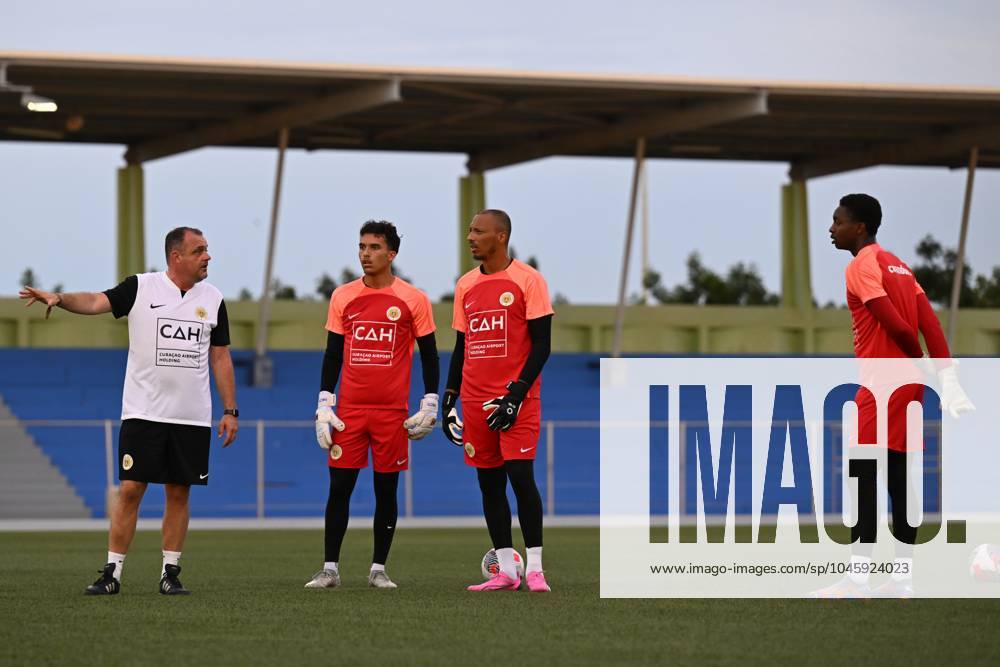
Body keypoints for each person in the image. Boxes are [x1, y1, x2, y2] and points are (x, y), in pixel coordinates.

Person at [20, 227, 238, 596]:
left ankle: (170, 572)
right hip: (143, 412)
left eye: (207, 250)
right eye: (199, 250)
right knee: (131, 489)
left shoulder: (213, 299)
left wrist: (230, 409)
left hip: (190, 416)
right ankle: (112, 573)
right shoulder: (141, 287)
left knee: (179, 492)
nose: (207, 257)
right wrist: (59, 297)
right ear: (176, 257)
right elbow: (95, 301)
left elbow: (220, 356)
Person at [812, 193, 974, 599]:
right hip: (909, 388)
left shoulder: (861, 266)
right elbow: (930, 323)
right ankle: (902, 580)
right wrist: (945, 374)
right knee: (900, 480)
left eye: (838, 221)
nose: (831, 229)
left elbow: (898, 325)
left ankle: (857, 580)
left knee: (862, 478)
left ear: (860, 227)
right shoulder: (899, 265)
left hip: (882, 385)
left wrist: (918, 360)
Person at [307, 220, 439, 590]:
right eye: (362, 246)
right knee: (340, 489)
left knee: (386, 490)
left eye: (374, 247)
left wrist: (430, 401)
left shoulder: (414, 299)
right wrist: (324, 402)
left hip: (391, 414)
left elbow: (429, 355)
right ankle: (329, 569)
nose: (366, 253)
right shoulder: (342, 296)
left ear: (391, 254)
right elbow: (333, 354)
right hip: (348, 412)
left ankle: (379, 568)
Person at [441, 209, 554, 592]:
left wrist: (516, 395)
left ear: (500, 236)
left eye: (478, 231)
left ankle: (535, 568)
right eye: (469, 230)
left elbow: (542, 345)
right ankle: (506, 570)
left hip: (516, 399)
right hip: (474, 398)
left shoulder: (529, 280)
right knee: (488, 483)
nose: (470, 237)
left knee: (521, 477)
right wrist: (449, 397)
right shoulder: (465, 285)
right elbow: (461, 345)